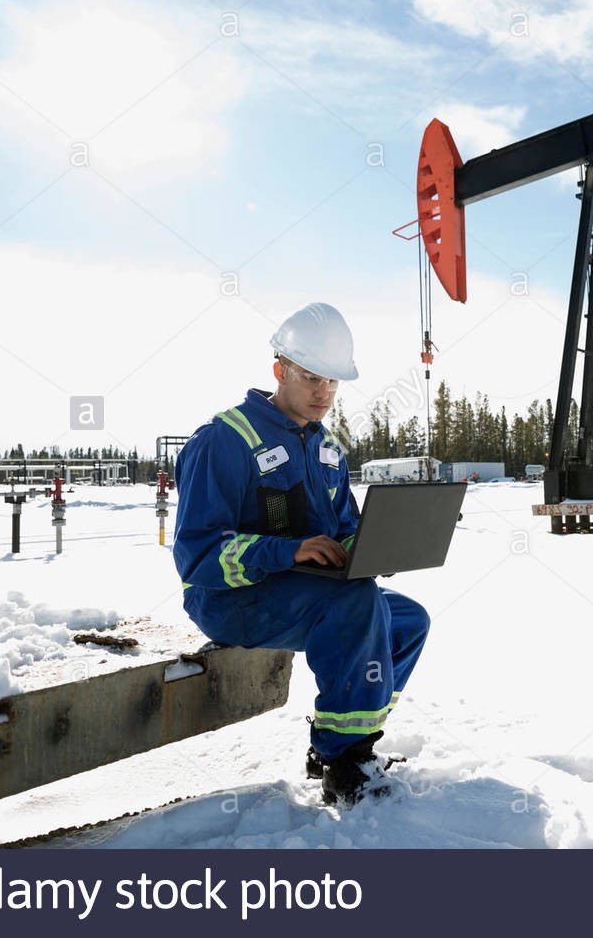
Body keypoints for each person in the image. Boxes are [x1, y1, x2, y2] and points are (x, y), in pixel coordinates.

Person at [172, 303, 431, 807]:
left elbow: (344, 531)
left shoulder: (327, 448)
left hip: (305, 590)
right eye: (312, 377)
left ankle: (351, 742)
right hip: (229, 598)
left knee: (407, 619)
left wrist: (374, 548)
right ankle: (343, 761)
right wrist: (289, 552)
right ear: (279, 370)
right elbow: (199, 556)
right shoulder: (225, 440)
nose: (323, 393)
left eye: (333, 382)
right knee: (357, 602)